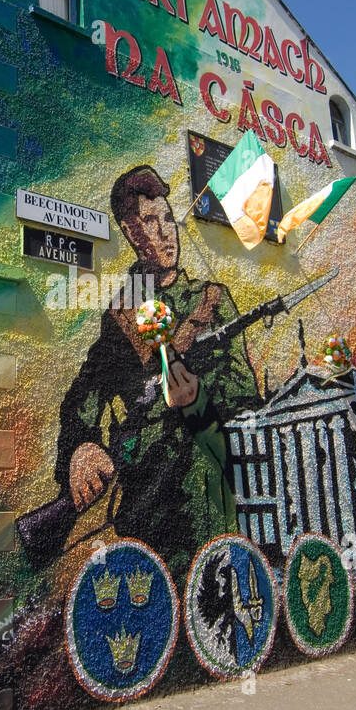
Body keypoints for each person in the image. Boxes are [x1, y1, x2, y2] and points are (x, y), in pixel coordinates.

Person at [36, 165, 262, 576]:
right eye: (151, 223)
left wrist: (198, 399)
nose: (166, 233)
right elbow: (84, 394)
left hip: (209, 494)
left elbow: (246, 395)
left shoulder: (212, 302)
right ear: (130, 232)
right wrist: (80, 448)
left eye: (169, 220)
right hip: (146, 500)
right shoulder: (123, 313)